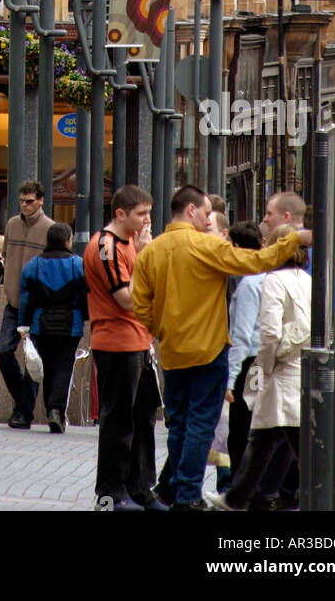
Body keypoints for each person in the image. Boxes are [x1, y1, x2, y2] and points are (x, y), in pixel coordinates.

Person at [131, 184, 311, 510]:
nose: (207, 218)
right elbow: (259, 261)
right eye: (205, 212)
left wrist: (161, 330)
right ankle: (186, 495)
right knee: (200, 424)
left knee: (180, 424)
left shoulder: (152, 251)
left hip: (173, 351)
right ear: (191, 210)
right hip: (208, 349)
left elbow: (140, 304)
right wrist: (293, 239)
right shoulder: (205, 246)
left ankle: (177, 492)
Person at [207, 225, 311, 511]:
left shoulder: (271, 281)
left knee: (279, 438)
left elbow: (269, 333)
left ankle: (244, 497)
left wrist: (262, 368)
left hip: (277, 370)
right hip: (299, 370)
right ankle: (241, 497)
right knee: (268, 438)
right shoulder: (307, 279)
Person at [84, 183, 163, 512]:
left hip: (138, 340)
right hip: (117, 342)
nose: (147, 221)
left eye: (149, 213)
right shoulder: (106, 245)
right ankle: (111, 492)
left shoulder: (131, 241)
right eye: (141, 214)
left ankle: (141, 487)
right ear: (120, 214)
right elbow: (125, 298)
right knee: (119, 420)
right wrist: (145, 256)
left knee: (143, 417)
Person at [17, 222, 87, 434]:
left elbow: (26, 299)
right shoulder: (78, 265)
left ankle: (51, 409)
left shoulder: (33, 266)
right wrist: (86, 316)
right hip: (70, 324)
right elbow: (85, 296)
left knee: (46, 367)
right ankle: (56, 410)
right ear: (68, 240)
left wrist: (24, 325)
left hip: (41, 323)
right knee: (64, 367)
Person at [0, 180, 53, 428]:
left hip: (37, 305)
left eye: (30, 201)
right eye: (22, 200)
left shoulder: (50, 229)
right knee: (3, 351)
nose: (25, 205)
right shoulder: (12, 224)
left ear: (41, 200)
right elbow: (6, 256)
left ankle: (23, 412)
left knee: (33, 358)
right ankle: (23, 402)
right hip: (12, 302)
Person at [224, 221, 266, 479]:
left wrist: (230, 377)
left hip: (249, 362)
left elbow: (241, 333)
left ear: (236, 247)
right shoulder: (267, 276)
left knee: (241, 426)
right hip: (263, 361)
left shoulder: (250, 284)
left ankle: (240, 484)